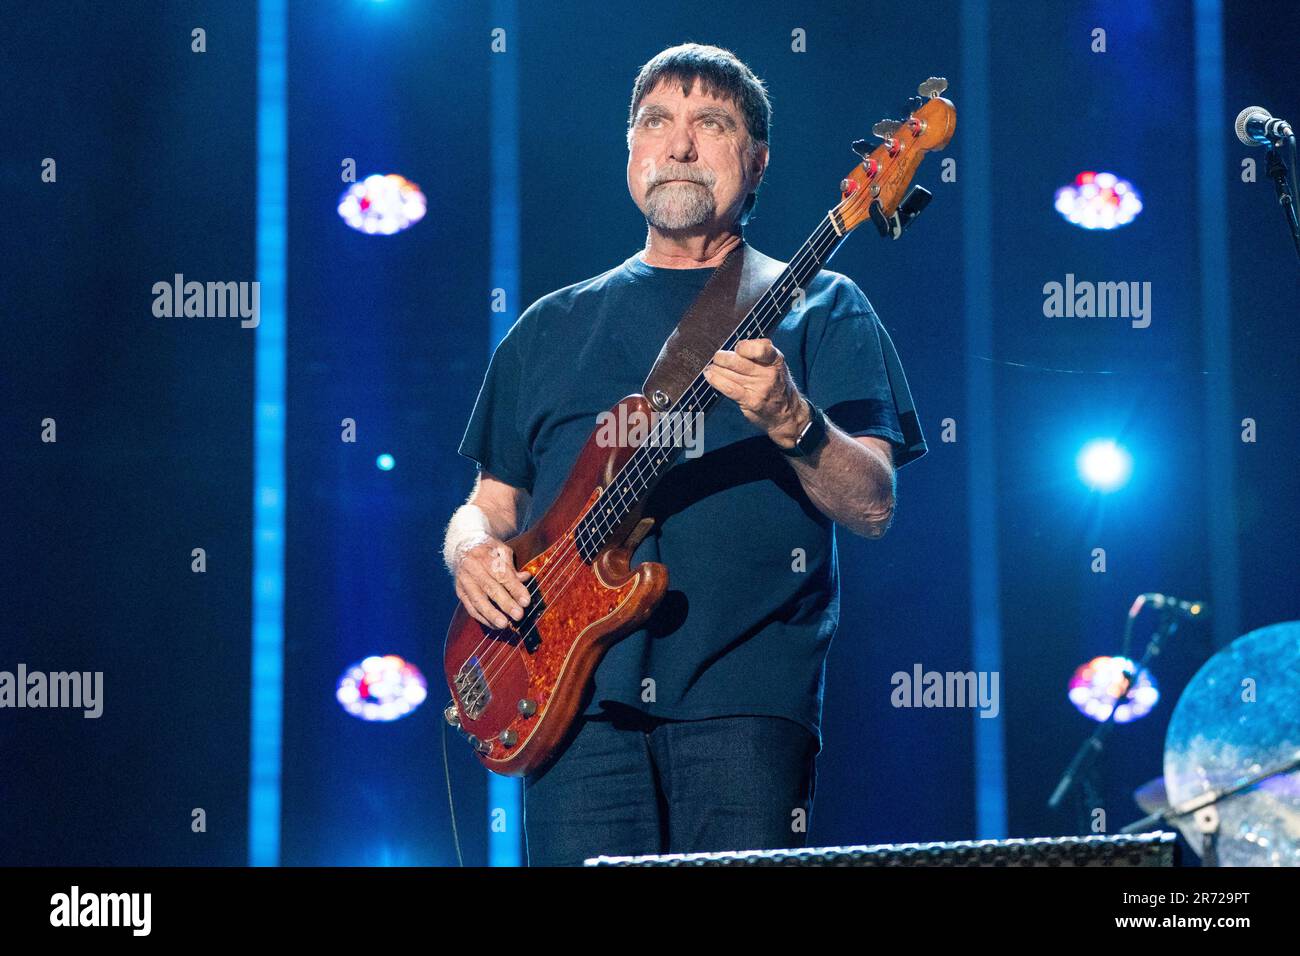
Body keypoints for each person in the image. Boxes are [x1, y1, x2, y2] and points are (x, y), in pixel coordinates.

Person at [444, 42, 926, 866]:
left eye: (711, 123)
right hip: (570, 703)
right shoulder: (548, 326)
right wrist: (471, 554)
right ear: (630, 149)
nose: (678, 144)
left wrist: (793, 419)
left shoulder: (823, 307)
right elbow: (490, 506)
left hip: (745, 701)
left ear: (758, 160)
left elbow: (874, 503)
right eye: (655, 122)